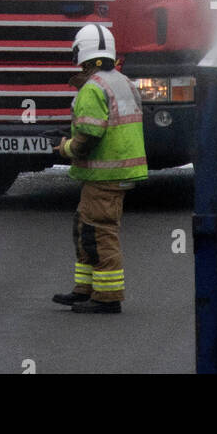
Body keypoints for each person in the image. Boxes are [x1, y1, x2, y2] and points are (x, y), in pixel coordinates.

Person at [52, 23, 147, 314]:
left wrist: (65, 147)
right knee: (85, 227)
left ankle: (107, 298)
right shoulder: (124, 82)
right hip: (117, 171)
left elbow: (89, 137)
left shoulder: (93, 88)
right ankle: (85, 288)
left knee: (99, 232)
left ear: (80, 52)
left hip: (105, 173)